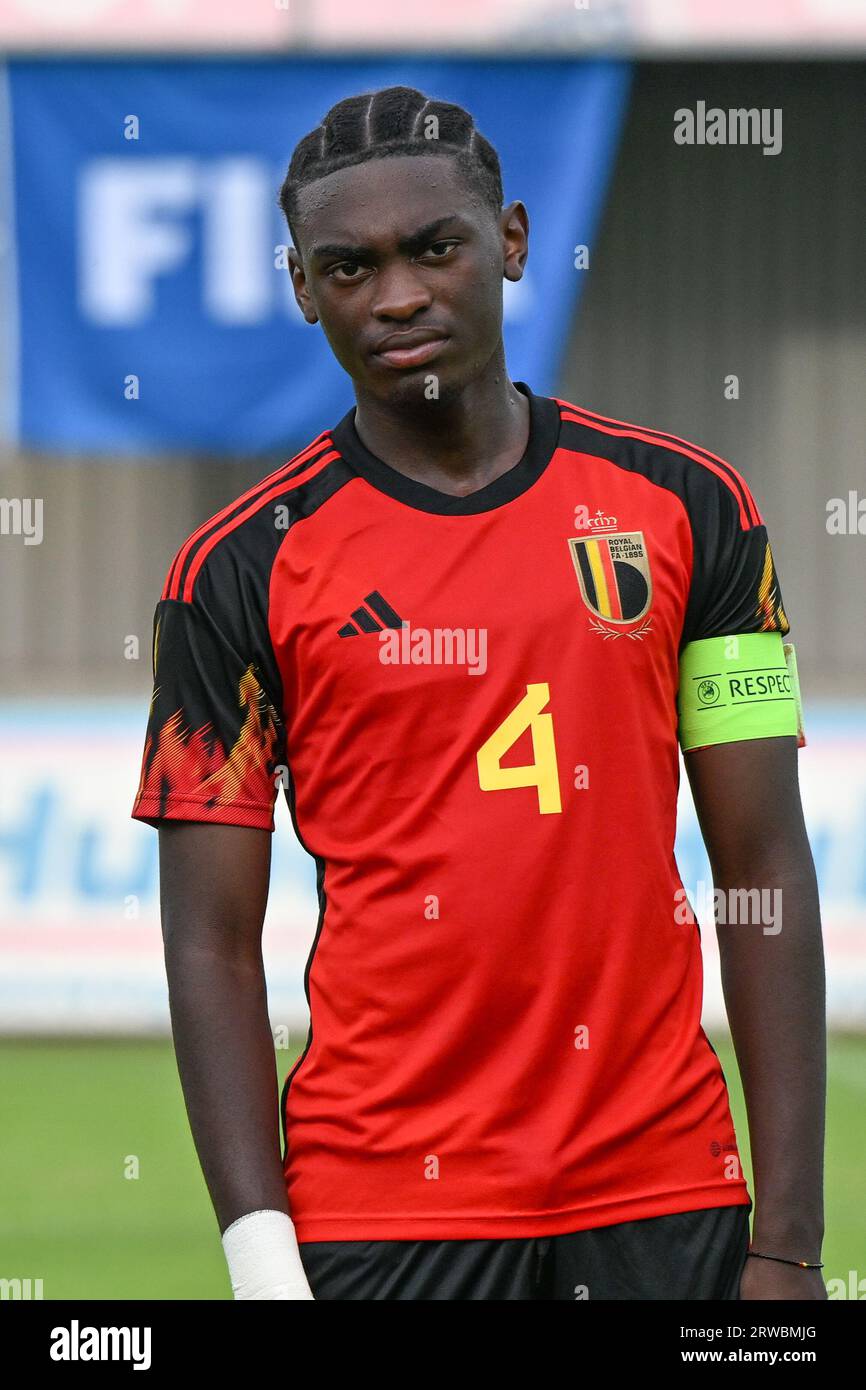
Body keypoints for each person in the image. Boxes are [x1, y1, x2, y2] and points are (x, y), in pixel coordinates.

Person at [131, 86, 826, 1301]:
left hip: (666, 1197)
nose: (395, 295)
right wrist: (259, 1263)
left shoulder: (694, 511)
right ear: (302, 289)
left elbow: (761, 862)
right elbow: (209, 942)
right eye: (348, 267)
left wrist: (788, 1241)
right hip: (381, 1215)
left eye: (432, 248)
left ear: (508, 241)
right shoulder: (237, 570)